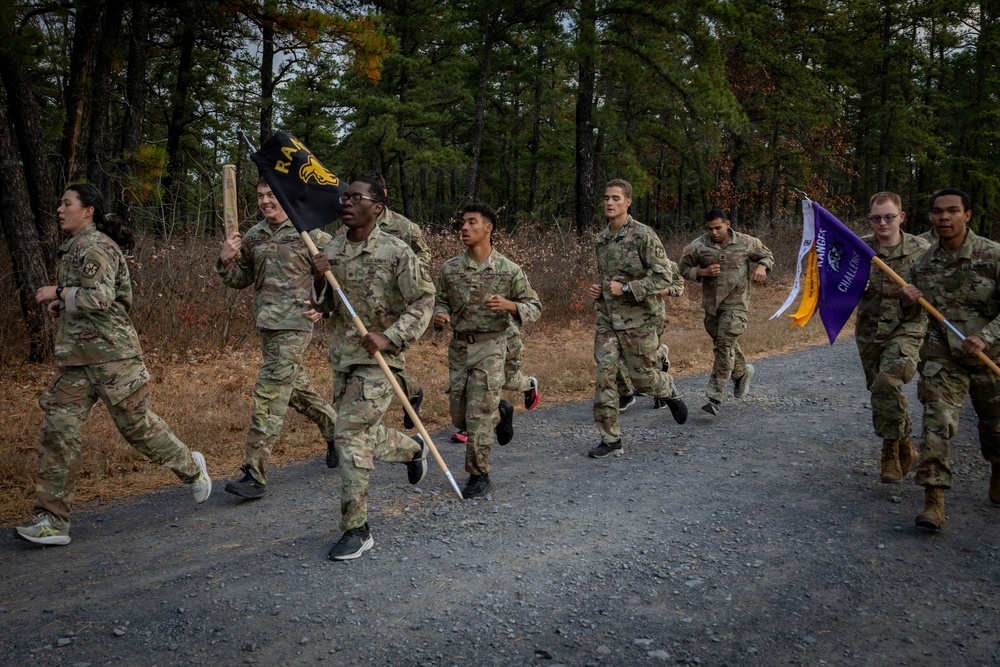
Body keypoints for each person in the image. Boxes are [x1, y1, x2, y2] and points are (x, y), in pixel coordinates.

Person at [17, 184, 211, 546]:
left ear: (88, 210)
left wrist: (56, 293)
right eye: (60, 202)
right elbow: (93, 297)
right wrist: (67, 304)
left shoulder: (95, 247)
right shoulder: (76, 247)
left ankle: (190, 467)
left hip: (114, 359)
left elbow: (101, 298)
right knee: (58, 432)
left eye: (67, 203)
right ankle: (51, 521)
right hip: (77, 362)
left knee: (138, 429)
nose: (60, 209)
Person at [310, 176, 435, 560]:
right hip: (343, 357)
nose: (345, 202)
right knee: (359, 434)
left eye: (355, 198)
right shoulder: (332, 248)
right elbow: (329, 305)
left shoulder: (397, 252)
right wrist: (318, 278)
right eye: (344, 197)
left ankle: (357, 529)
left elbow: (424, 300)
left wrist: (390, 336)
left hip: (380, 361)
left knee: (347, 435)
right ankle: (412, 448)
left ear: (376, 207)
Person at [216, 178, 339, 500]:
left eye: (271, 195)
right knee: (296, 389)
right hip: (267, 325)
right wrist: (226, 260)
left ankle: (254, 474)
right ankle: (336, 430)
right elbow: (241, 279)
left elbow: (340, 277)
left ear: (285, 196)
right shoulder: (254, 235)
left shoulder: (312, 235)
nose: (265, 201)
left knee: (269, 393)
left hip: (296, 325)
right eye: (260, 196)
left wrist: (324, 309)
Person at [901, 188, 1000, 530]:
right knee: (936, 422)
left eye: (953, 211)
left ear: (967, 215)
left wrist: (985, 337)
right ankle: (934, 500)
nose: (944, 217)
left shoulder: (992, 255)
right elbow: (909, 315)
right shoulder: (923, 263)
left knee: (996, 427)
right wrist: (908, 299)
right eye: (938, 212)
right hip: (945, 358)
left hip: (992, 357)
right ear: (930, 217)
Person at [432, 202, 542, 497]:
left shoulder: (508, 270)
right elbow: (440, 300)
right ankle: (502, 414)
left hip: (493, 346)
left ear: (488, 228)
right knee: (460, 417)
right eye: (462, 224)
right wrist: (439, 316)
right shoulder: (450, 269)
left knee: (478, 417)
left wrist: (510, 305)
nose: (464, 229)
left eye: (471, 223)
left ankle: (478, 474)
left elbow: (535, 306)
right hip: (459, 347)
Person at [587, 179, 687, 459]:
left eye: (616, 198)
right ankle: (611, 439)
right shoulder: (602, 239)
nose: (609, 203)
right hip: (608, 318)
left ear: (628, 202)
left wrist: (629, 288)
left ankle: (667, 389)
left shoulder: (644, 235)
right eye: (606, 198)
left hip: (640, 319)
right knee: (605, 376)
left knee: (642, 380)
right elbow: (605, 275)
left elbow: (663, 276)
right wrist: (597, 288)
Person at [855, 192, 929, 483]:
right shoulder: (858, 248)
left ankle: (888, 452)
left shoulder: (922, 250)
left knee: (888, 382)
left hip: (908, 328)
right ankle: (905, 446)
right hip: (870, 331)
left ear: (901, 217)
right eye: (876, 218)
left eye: (888, 217)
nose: (882, 223)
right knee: (882, 391)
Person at [679, 208, 773, 416]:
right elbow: (682, 269)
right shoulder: (698, 245)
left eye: (718, 228)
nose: (713, 232)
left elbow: (767, 255)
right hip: (712, 307)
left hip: (737, 304)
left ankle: (714, 397)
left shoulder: (747, 242)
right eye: (710, 229)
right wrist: (701, 272)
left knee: (723, 347)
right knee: (725, 344)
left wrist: (762, 267)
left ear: (728, 224)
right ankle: (740, 373)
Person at [361, 172, 430, 431]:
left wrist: (406, 275)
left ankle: (406, 396)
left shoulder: (404, 227)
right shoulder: (351, 225)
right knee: (369, 356)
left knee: (387, 354)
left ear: (385, 195)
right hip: (363, 300)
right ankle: (410, 391)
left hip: (395, 301)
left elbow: (424, 253)